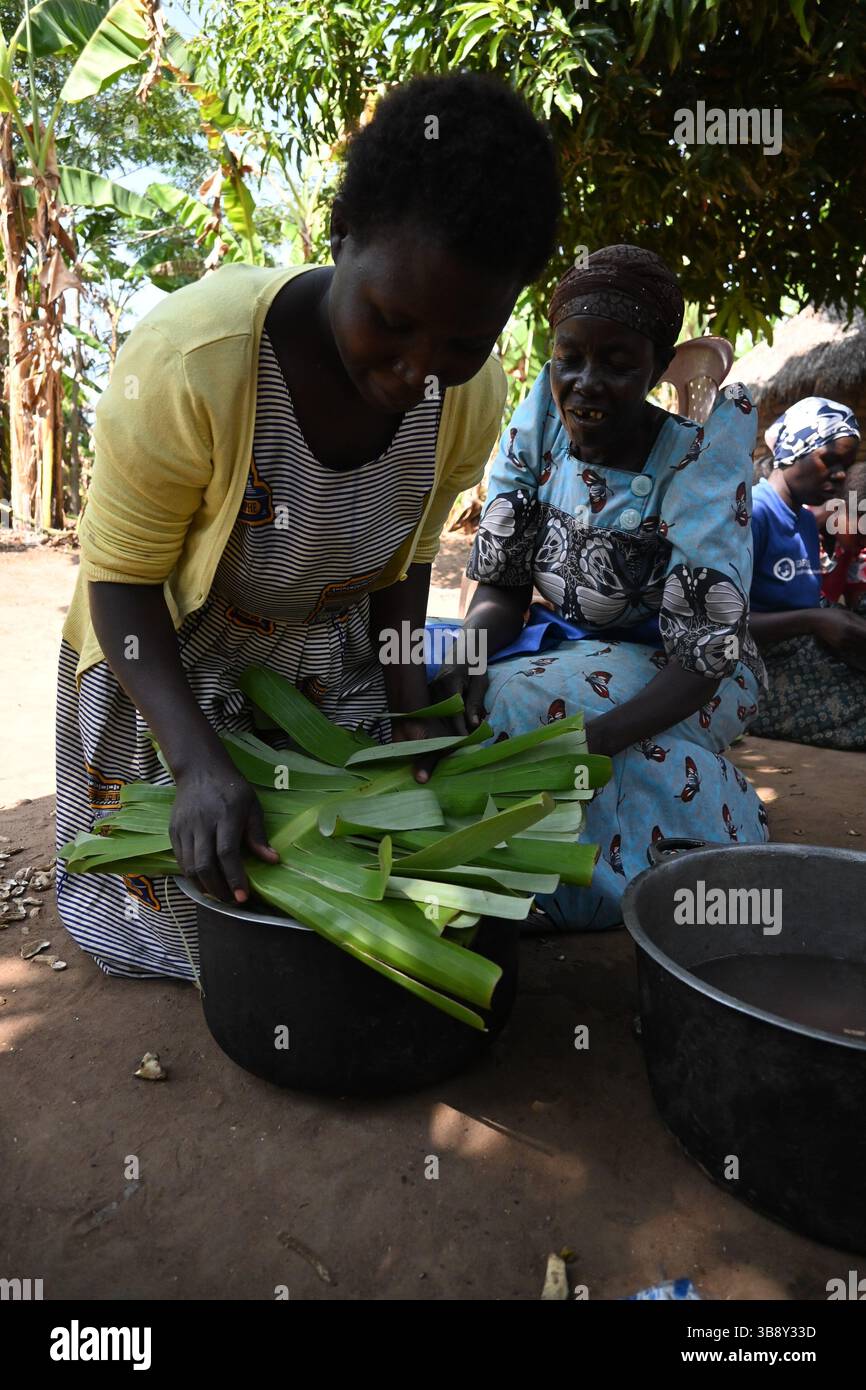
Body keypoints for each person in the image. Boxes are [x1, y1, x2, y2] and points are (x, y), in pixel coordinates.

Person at [55, 73, 561, 979]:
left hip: (322, 664)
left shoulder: (468, 397)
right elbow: (122, 584)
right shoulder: (189, 364)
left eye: (460, 343)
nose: (417, 371)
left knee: (383, 881)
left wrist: (414, 726)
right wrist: (199, 765)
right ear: (343, 238)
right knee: (226, 914)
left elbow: (405, 567)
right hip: (166, 666)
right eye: (392, 323)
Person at [433, 245, 769, 930]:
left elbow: (699, 662)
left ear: (655, 364)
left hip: (685, 676)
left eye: (618, 364)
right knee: (431, 674)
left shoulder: (697, 467)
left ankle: (619, 865)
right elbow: (500, 594)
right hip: (562, 646)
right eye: (571, 357)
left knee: (523, 708)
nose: (586, 382)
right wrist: (467, 653)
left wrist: (597, 741)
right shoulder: (539, 435)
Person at [747, 397, 866, 748]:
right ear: (791, 452)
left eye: (846, 464)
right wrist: (814, 620)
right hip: (762, 667)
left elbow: (806, 601)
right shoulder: (754, 516)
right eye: (829, 459)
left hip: (804, 648)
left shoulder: (802, 519)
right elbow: (722, 624)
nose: (841, 474)